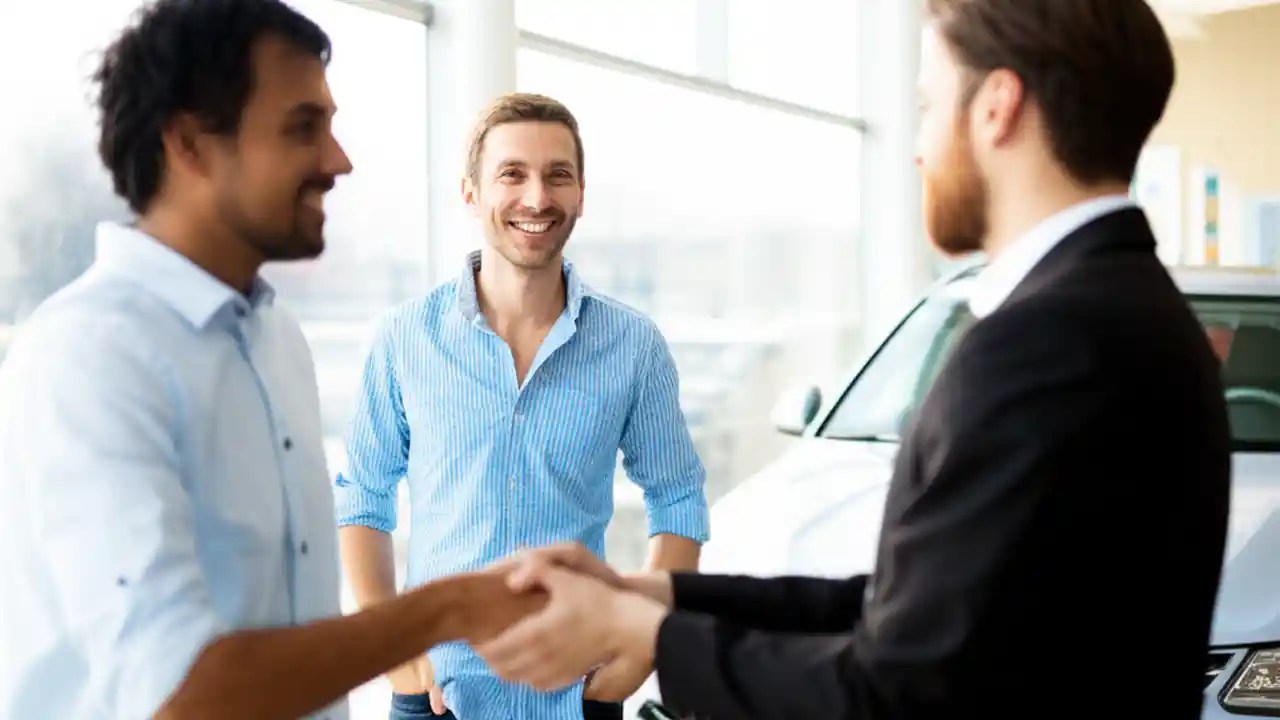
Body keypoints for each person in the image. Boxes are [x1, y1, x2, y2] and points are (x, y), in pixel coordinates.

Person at [471, 1, 1233, 718]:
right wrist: (660, 597)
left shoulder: (1050, 339)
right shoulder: (1120, 308)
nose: (915, 145)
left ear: (998, 107)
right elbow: (915, 609)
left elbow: (898, 689)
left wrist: (649, 637)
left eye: (929, 105)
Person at [0, 2, 542, 718]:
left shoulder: (275, 339)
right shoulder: (90, 356)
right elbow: (182, 692)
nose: (338, 160)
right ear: (190, 144)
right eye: (302, 128)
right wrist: (447, 610)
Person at [334, 92, 710, 720]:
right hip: (433, 697)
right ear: (471, 192)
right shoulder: (404, 338)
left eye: (557, 175)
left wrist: (639, 648)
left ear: (581, 194)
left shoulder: (633, 346)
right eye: (512, 174)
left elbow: (678, 498)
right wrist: (395, 654)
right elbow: (362, 498)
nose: (537, 198)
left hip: (578, 695)